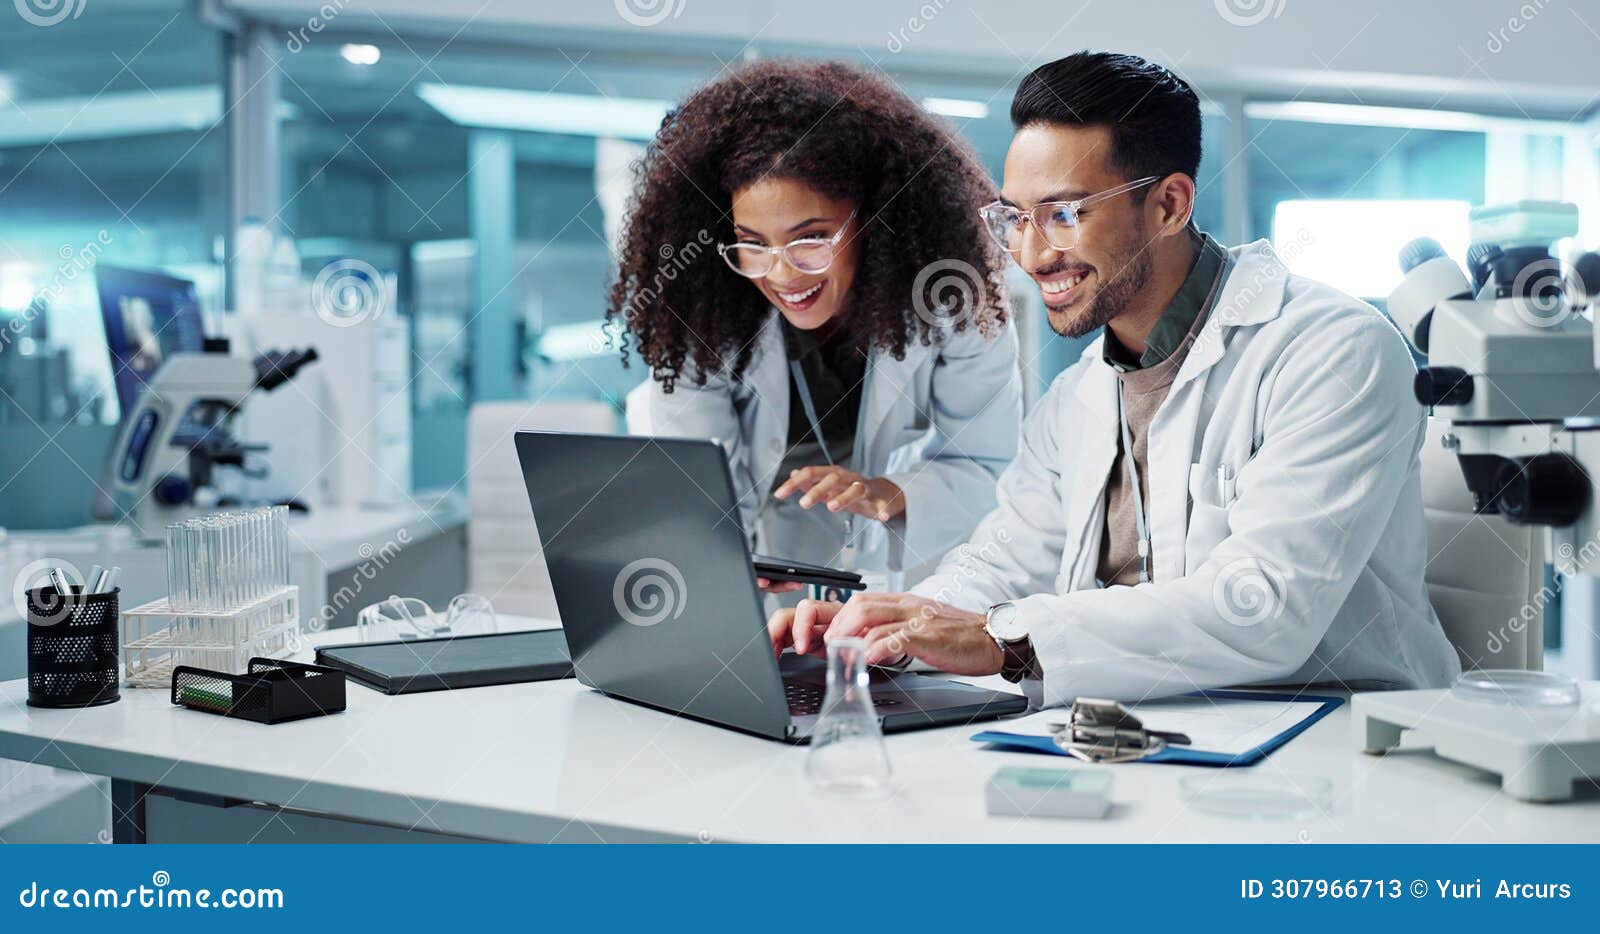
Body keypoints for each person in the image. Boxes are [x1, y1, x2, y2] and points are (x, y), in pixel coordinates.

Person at [768, 51, 1462, 704]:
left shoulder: (1334, 351)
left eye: (1065, 214)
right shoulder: (1077, 398)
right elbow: (1004, 563)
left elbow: (1263, 607)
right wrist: (893, 630)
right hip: (1140, 732)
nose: (1032, 253)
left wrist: (1005, 640)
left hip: (1335, 737)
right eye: (1014, 217)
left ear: (1168, 205)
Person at [613, 60, 1022, 590]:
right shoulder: (699, 320)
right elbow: (698, 492)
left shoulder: (952, 302)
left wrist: (890, 493)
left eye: (810, 239)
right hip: (773, 542)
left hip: (912, 553)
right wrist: (727, 555)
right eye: (753, 243)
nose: (782, 274)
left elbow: (986, 464)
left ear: (873, 219)